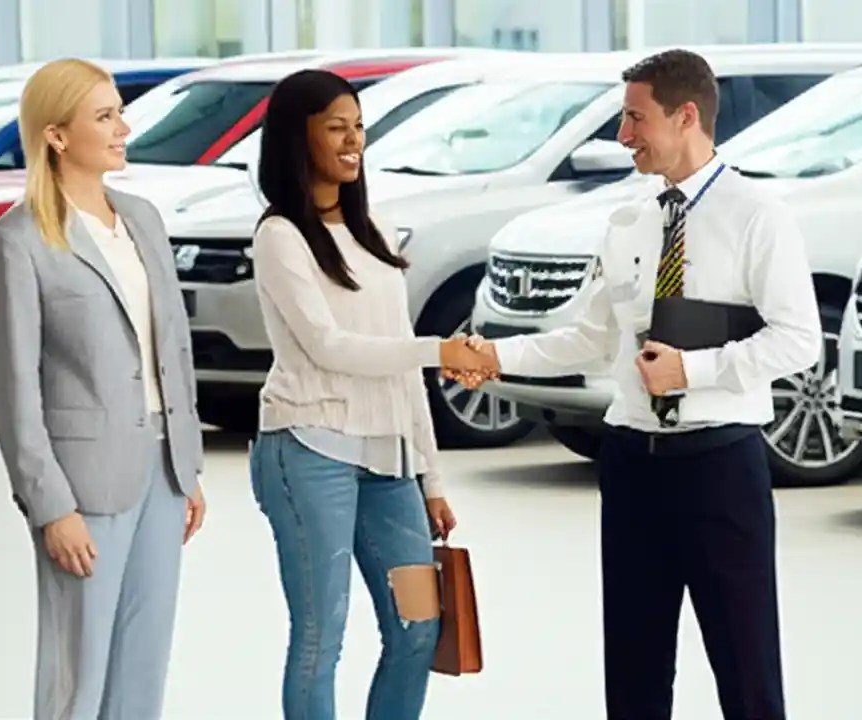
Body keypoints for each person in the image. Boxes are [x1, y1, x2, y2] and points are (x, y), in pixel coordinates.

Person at [459, 49, 821, 720]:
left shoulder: (756, 217)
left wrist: (695, 370)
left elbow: (799, 339)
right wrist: (494, 358)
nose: (623, 137)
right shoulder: (628, 221)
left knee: (746, 670)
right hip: (631, 465)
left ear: (687, 116)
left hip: (720, 467)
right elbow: (591, 339)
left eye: (635, 118)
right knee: (632, 673)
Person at [246, 68, 492, 720]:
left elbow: (397, 360)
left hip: (389, 463)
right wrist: (438, 349)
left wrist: (432, 479)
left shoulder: (374, 232)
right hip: (309, 451)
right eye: (337, 128)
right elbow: (331, 348)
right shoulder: (280, 237)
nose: (354, 140)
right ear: (298, 140)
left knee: (417, 628)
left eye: (359, 127)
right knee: (320, 639)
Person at [0, 58, 207, 719]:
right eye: (103, 116)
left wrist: (187, 467)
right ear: (55, 135)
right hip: (82, 485)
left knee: (143, 666)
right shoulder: (15, 243)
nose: (122, 128)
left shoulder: (143, 219)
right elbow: (13, 389)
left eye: (118, 113)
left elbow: (173, 348)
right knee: (76, 676)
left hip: (163, 468)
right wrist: (52, 507)